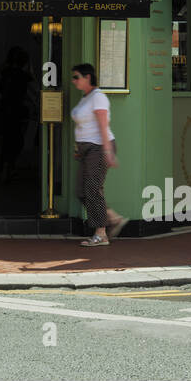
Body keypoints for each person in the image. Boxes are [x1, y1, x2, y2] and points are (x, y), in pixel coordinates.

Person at [70, 64, 125, 247]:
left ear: (87, 77)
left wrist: (108, 152)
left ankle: (101, 233)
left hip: (99, 148)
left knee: (93, 189)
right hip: (86, 150)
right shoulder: (85, 98)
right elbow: (82, 126)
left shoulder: (98, 97)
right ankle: (113, 218)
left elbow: (103, 126)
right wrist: (78, 149)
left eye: (76, 77)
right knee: (81, 191)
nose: (73, 81)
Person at [0, 47, 33, 183]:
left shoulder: (4, 71)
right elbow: (32, 90)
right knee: (17, 141)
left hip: (5, 109)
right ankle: (9, 167)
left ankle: (4, 168)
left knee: (6, 141)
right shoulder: (24, 75)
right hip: (18, 111)